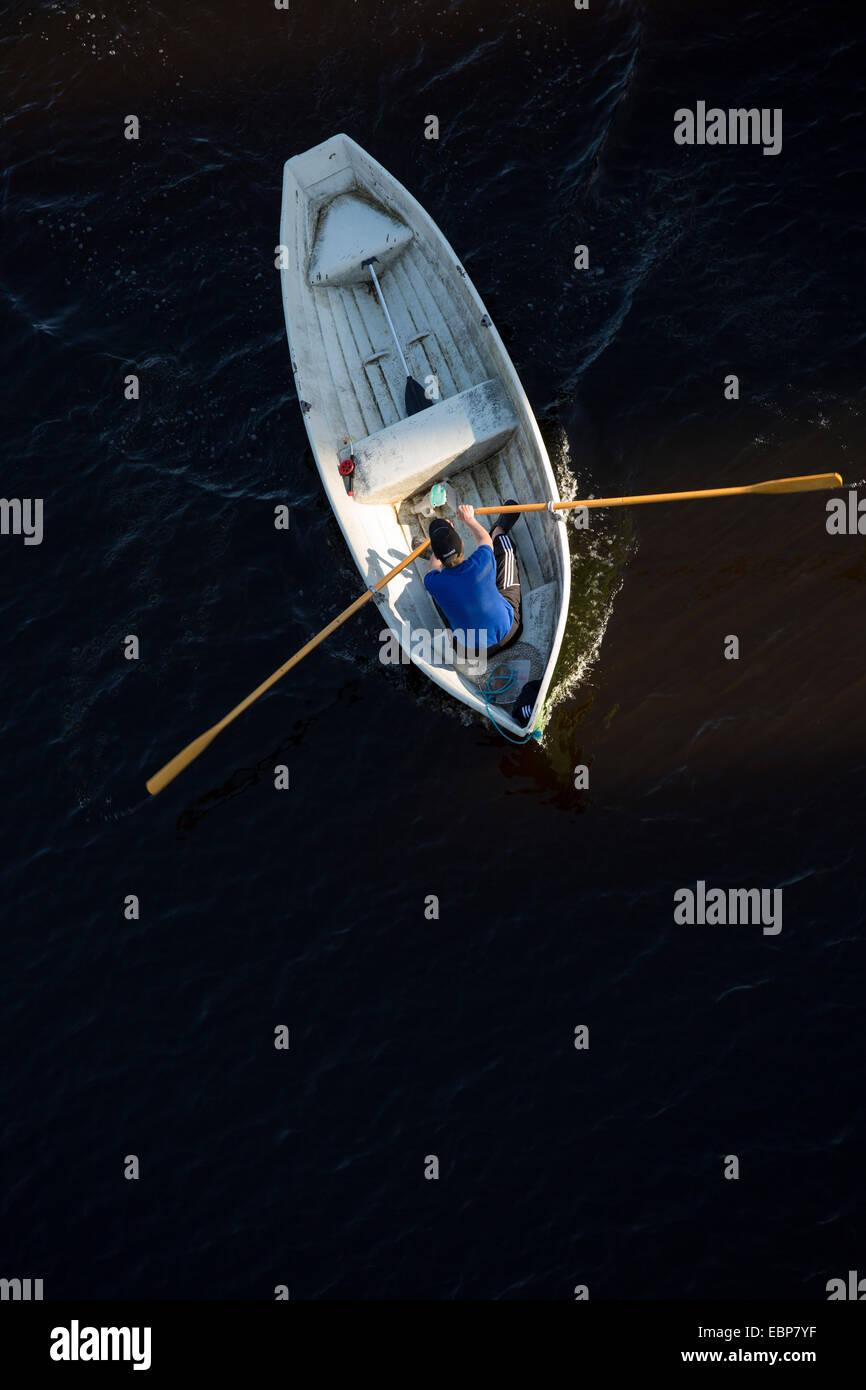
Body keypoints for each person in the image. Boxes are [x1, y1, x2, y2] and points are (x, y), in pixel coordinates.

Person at [424, 501, 522, 658]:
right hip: (509, 634)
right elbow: (485, 540)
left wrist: (438, 548)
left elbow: (433, 568)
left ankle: (429, 553)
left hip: (469, 652)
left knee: (438, 595)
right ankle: (499, 530)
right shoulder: (482, 561)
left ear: (438, 557)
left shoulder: (432, 582)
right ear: (462, 545)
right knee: (505, 549)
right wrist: (469, 519)